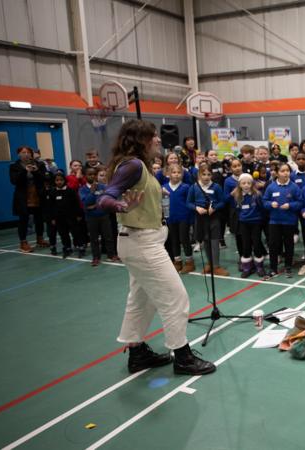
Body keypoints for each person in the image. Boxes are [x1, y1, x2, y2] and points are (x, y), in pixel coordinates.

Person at [98, 120, 215, 375]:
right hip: (142, 243)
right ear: (141, 140)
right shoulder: (133, 165)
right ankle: (183, 356)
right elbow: (106, 198)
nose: (159, 140)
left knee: (142, 299)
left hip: (138, 241)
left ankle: (137, 353)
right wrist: (122, 206)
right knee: (175, 298)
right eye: (154, 136)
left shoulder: (139, 166)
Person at [187, 163, 228, 276]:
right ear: (199, 174)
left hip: (213, 217)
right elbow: (188, 203)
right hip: (200, 218)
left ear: (212, 175)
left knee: (214, 241)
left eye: (208, 174)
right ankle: (209, 263)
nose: (206, 177)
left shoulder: (216, 187)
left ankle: (216, 266)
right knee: (205, 241)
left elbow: (222, 201)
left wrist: (214, 208)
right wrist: (196, 208)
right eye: (203, 174)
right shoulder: (194, 187)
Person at [263, 163, 302, 278]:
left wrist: (290, 205)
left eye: (287, 171)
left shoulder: (294, 187)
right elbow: (264, 201)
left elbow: (300, 202)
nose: (285, 173)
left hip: (289, 221)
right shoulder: (271, 187)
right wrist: (270, 204)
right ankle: (273, 268)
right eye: (282, 171)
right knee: (273, 245)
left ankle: (288, 266)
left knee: (289, 244)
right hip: (274, 221)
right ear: (277, 173)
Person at [10, 146, 49, 252]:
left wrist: (36, 172)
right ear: (19, 154)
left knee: (39, 218)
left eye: (28, 152)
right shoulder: (14, 166)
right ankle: (23, 242)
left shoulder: (39, 164)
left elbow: (45, 178)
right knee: (23, 219)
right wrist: (24, 171)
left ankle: (40, 239)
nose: (26, 154)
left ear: (31, 154)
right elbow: (14, 181)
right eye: (23, 152)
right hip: (23, 196)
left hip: (38, 194)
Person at [80, 167, 117, 266]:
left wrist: (95, 205)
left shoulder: (102, 187)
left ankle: (111, 255)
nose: (92, 176)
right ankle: (96, 257)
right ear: (85, 176)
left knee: (108, 236)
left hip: (104, 215)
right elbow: (86, 203)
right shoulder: (83, 189)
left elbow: (105, 199)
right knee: (94, 238)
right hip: (91, 217)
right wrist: (91, 193)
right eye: (89, 174)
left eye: (93, 174)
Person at [232, 173, 267, 278]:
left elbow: (262, 208)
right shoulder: (237, 196)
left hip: (256, 222)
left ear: (252, 184)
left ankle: (259, 266)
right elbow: (237, 210)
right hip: (244, 223)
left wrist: (259, 219)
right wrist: (243, 217)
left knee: (256, 243)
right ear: (240, 184)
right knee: (246, 244)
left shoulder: (257, 195)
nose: (246, 185)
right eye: (244, 183)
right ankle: (247, 267)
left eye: (248, 183)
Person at [163, 164, 195, 273]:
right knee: (174, 239)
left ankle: (189, 261)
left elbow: (189, 203)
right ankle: (177, 261)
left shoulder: (186, 187)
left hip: (184, 218)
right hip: (171, 218)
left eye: (179, 172)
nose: (176, 175)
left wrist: (190, 218)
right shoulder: (164, 187)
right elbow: (165, 203)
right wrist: (166, 217)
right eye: (174, 172)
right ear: (168, 174)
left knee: (184, 238)